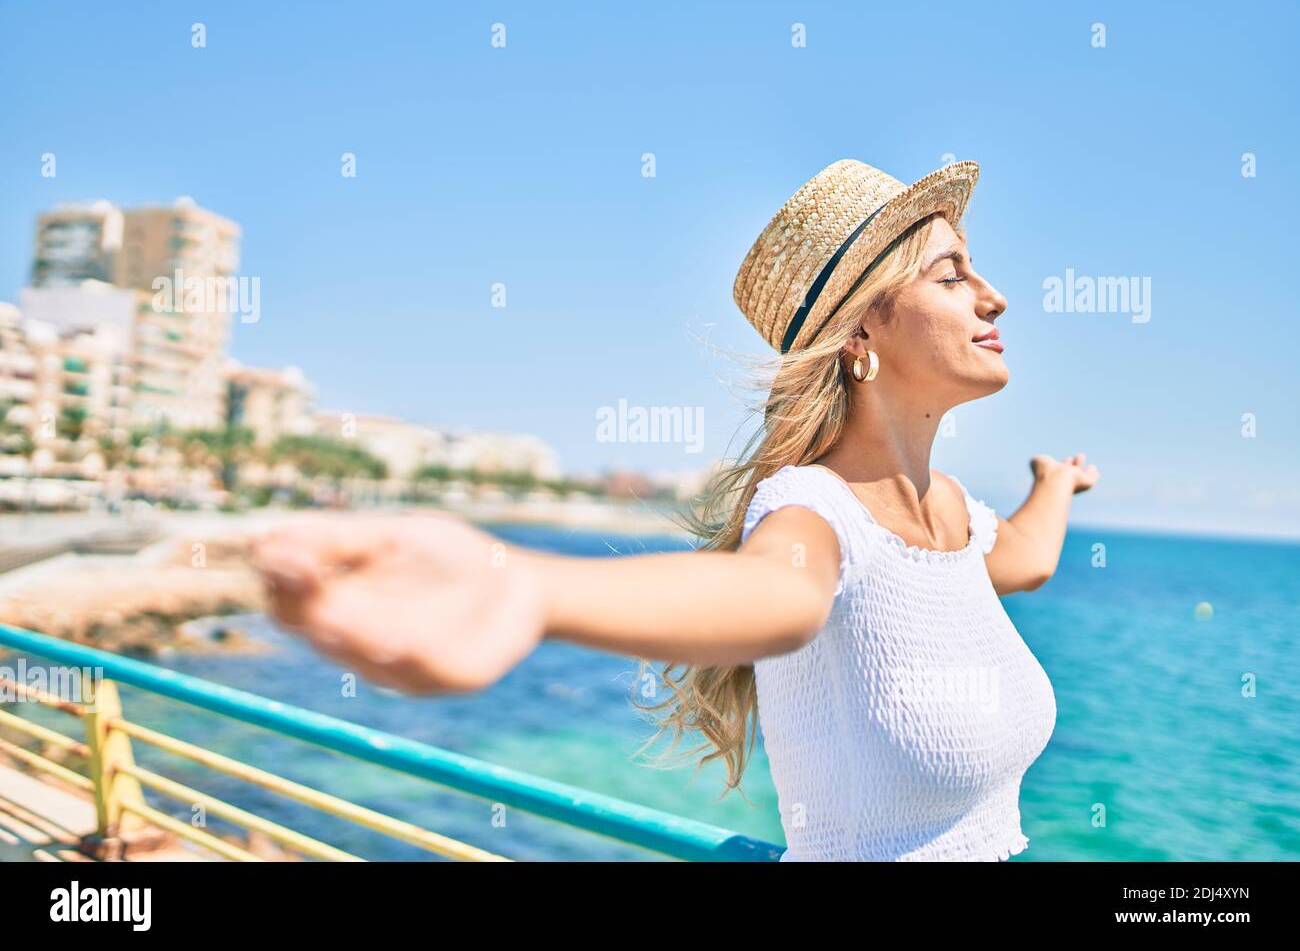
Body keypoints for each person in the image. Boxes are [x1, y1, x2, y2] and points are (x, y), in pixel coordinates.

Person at [253, 158, 1099, 861]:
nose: (994, 296)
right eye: (953, 274)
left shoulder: (952, 514)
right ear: (859, 334)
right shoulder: (814, 510)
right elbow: (773, 595)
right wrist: (533, 590)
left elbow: (1028, 558)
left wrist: (1056, 482)